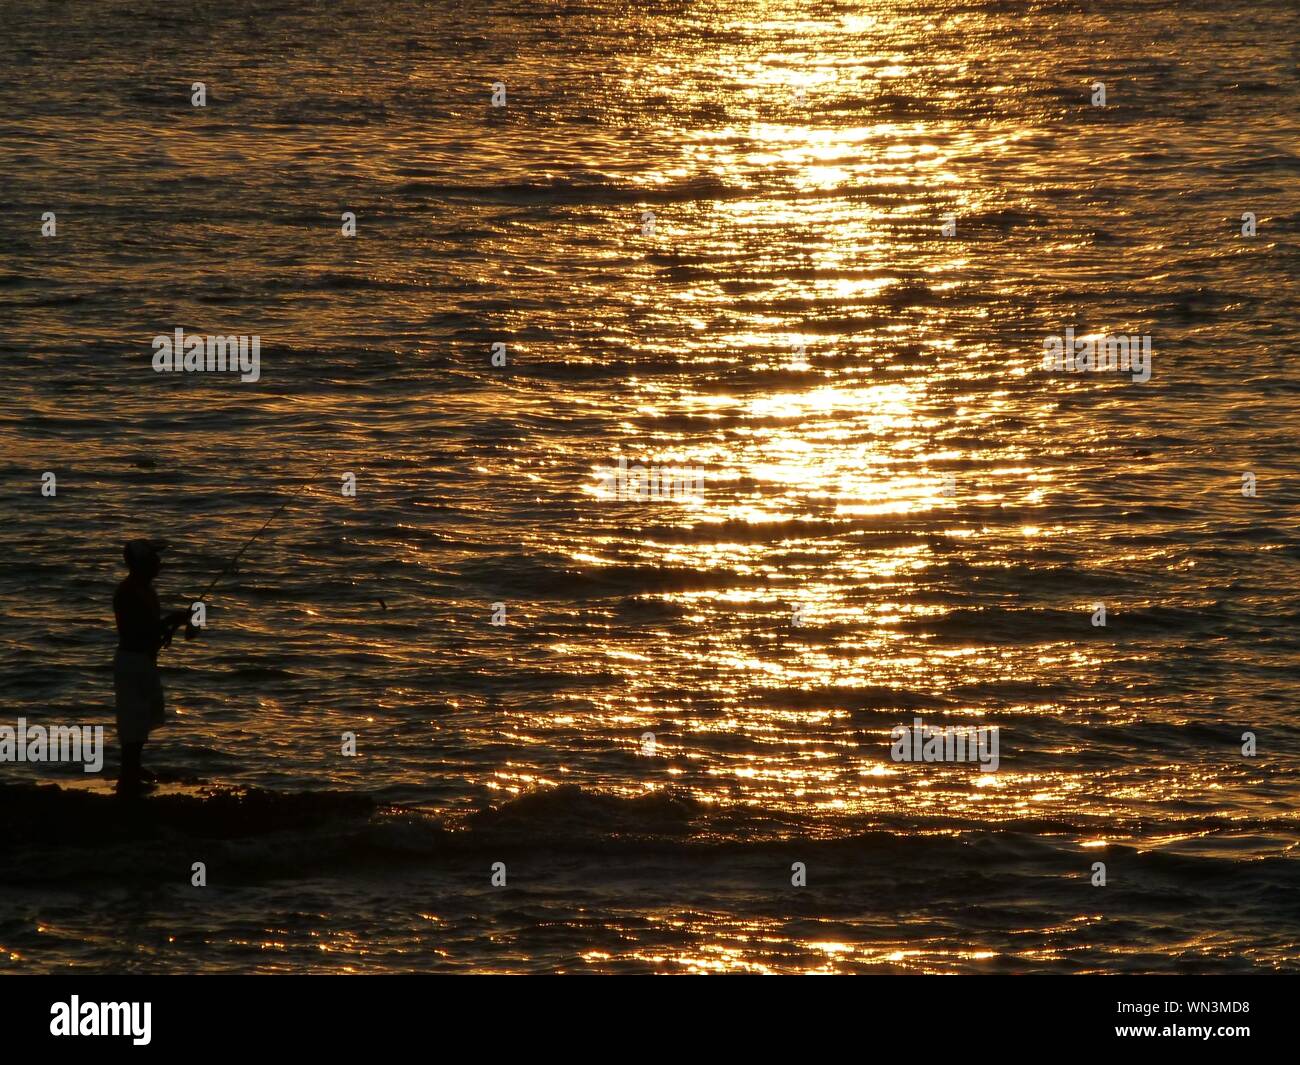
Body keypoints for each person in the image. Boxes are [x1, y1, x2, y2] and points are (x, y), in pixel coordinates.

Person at [113, 540, 194, 796]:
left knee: (142, 718)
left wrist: (167, 628)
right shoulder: (128, 593)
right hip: (131, 662)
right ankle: (128, 776)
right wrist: (169, 622)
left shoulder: (147, 591)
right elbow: (136, 631)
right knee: (132, 720)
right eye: (153, 558)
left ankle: (134, 769)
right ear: (141, 563)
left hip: (144, 660)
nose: (159, 563)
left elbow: (149, 629)